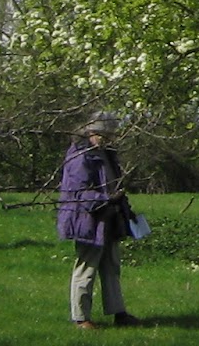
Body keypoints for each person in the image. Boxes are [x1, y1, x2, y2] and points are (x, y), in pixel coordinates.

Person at [58, 113, 139, 329]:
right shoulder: (80, 155)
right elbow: (79, 194)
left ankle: (119, 314)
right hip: (88, 220)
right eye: (108, 134)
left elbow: (115, 184)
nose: (112, 138)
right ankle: (81, 317)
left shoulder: (107, 153)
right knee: (87, 268)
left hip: (110, 217)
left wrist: (125, 209)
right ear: (94, 132)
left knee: (112, 267)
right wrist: (105, 199)